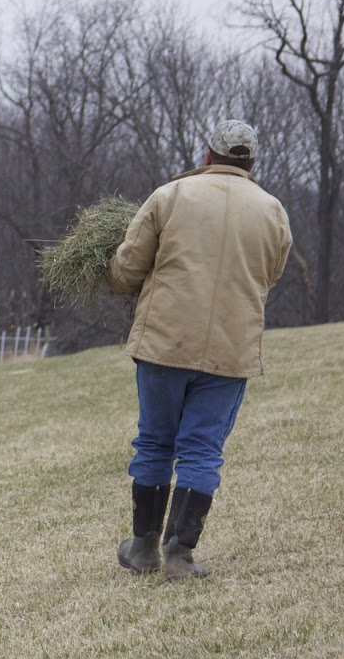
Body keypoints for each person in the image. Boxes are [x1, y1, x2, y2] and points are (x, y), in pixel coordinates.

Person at [107, 119, 292, 579]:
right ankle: (180, 555)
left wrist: (114, 275)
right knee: (202, 450)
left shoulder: (170, 196)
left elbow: (127, 269)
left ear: (208, 157)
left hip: (164, 344)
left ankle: (144, 549)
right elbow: (271, 275)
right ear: (251, 163)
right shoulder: (272, 211)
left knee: (154, 441)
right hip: (229, 352)